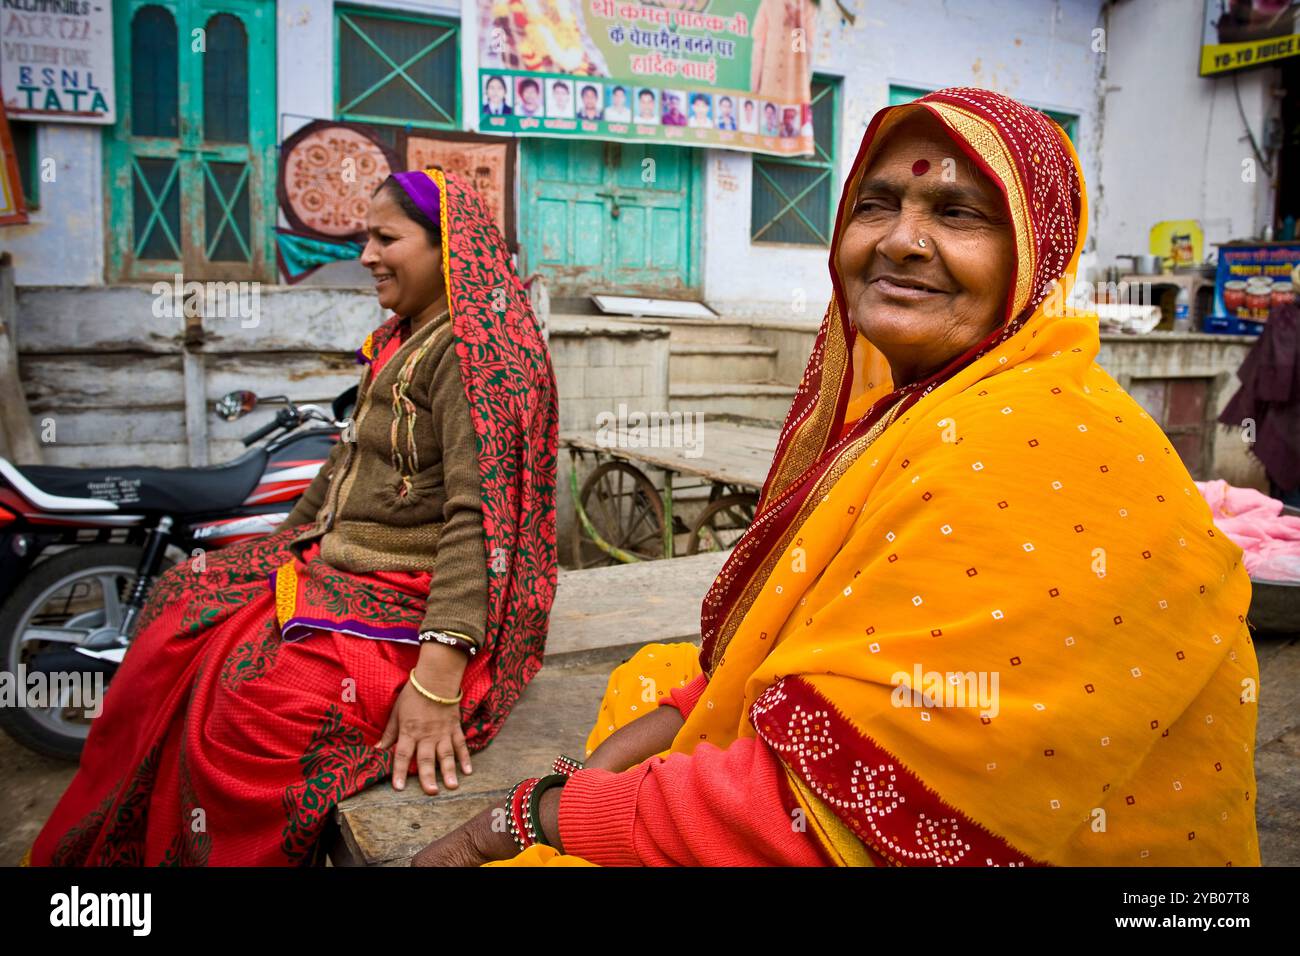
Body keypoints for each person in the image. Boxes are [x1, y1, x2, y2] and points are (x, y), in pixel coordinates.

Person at [412, 88, 1261, 868]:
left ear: (1034, 258)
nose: (900, 239)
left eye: (958, 211)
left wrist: (528, 816)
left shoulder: (1035, 443)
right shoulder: (935, 401)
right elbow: (813, 629)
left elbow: (818, 821)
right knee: (657, 685)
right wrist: (650, 736)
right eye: (876, 204)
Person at [26, 168, 560, 867]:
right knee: (186, 603)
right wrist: (273, 554)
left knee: (253, 709)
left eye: (385, 237)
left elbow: (479, 518)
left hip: (424, 601)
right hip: (342, 566)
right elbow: (342, 469)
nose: (366, 255)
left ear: (449, 248)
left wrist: (435, 683)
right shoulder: (405, 337)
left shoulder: (470, 355)